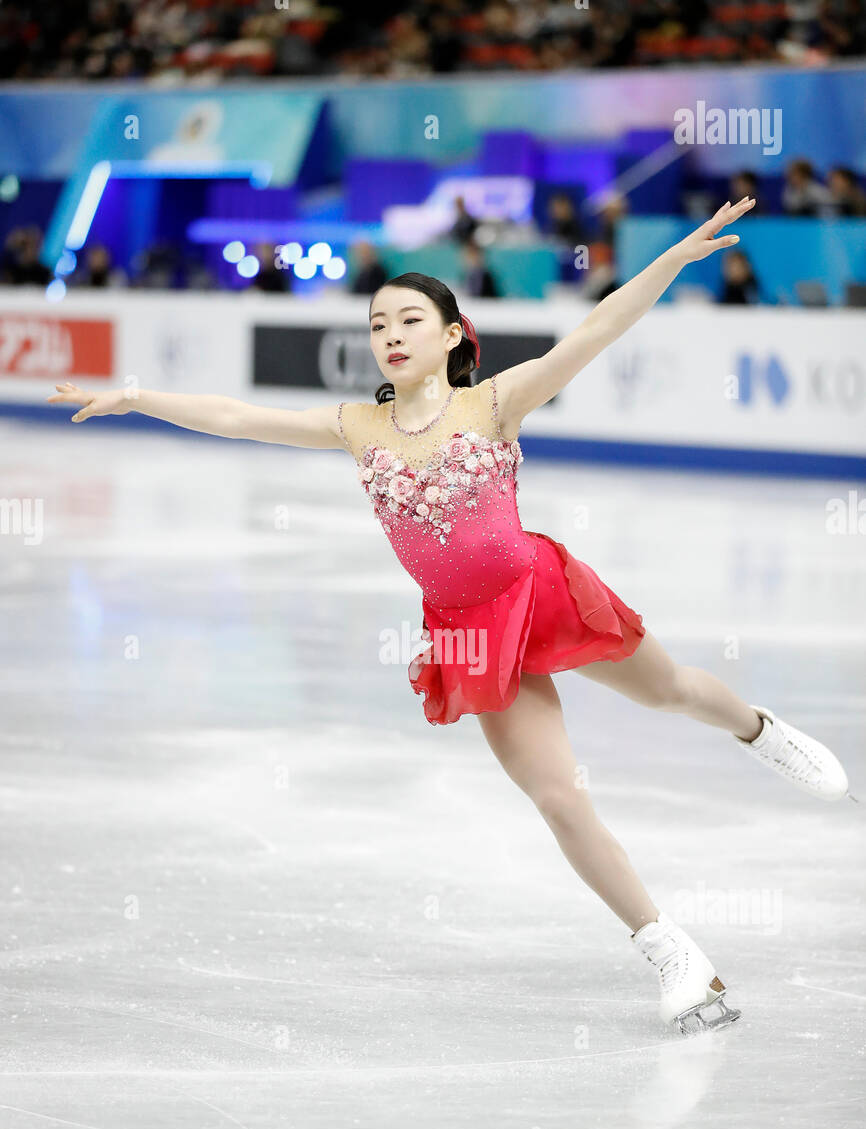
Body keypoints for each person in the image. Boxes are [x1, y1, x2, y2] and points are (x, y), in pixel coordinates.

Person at [46, 197, 851, 1037]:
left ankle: (759, 730)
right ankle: (672, 951)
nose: (390, 334)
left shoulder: (496, 403)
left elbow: (598, 328)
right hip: (468, 631)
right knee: (559, 797)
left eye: (409, 319)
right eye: (376, 323)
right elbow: (239, 417)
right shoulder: (356, 425)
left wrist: (672, 259)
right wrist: (137, 397)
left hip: (541, 590)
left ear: (453, 334)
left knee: (672, 691)